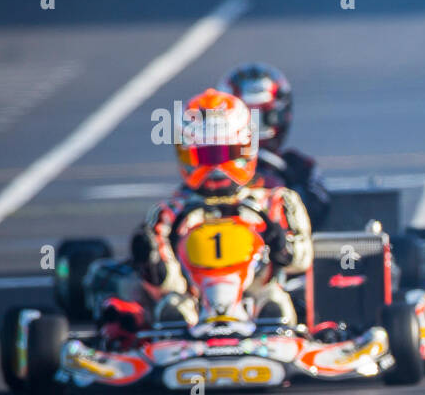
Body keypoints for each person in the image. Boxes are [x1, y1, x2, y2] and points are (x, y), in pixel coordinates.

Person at [131, 89, 313, 326]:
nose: (215, 170)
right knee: (172, 309)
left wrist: (281, 245)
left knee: (275, 304)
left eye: (225, 155)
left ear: (245, 149)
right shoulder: (169, 212)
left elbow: (303, 259)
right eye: (204, 158)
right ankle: (178, 337)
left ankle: (274, 333)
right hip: (195, 307)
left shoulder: (275, 202)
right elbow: (167, 285)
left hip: (255, 298)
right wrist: (150, 260)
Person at [218, 63, 330, 225]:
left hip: (281, 243)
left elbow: (319, 209)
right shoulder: (215, 169)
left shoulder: (299, 168)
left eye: (262, 119)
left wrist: (277, 193)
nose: (254, 130)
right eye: (247, 120)